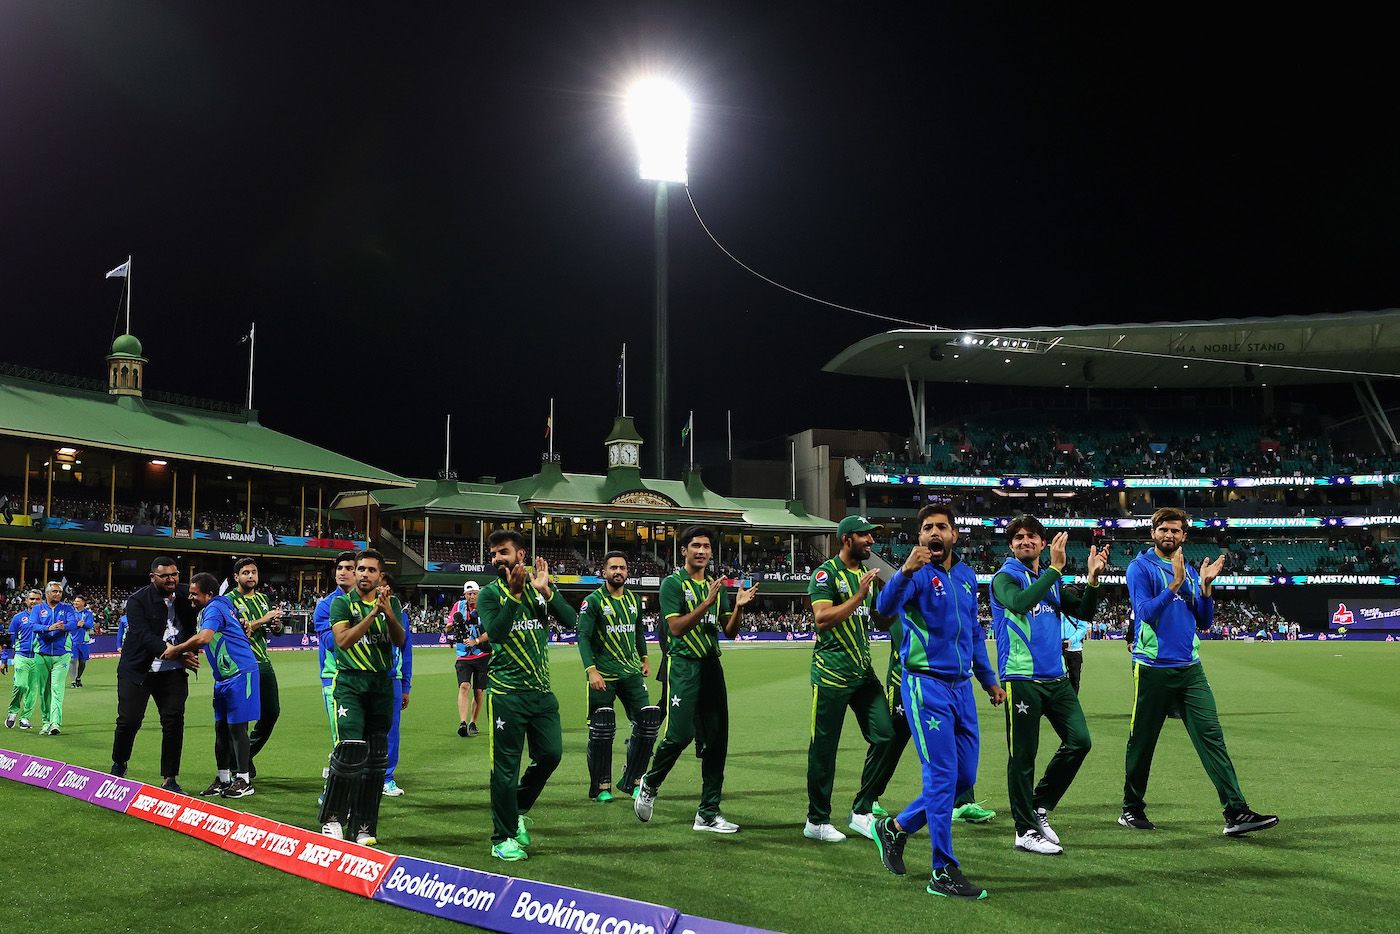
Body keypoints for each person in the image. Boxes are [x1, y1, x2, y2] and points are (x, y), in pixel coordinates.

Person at [871, 505, 1005, 900]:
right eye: (927, 527)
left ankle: (896, 828)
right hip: (925, 685)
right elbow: (883, 611)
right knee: (943, 776)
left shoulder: (965, 576)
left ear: (954, 535)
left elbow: (975, 635)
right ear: (920, 536)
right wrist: (905, 572)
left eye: (942, 527)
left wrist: (989, 680)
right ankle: (942, 870)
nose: (935, 532)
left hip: (962, 688)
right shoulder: (915, 575)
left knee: (964, 779)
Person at [1122, 507, 1278, 836]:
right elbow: (1145, 613)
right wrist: (1175, 583)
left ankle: (1236, 812)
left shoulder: (1192, 571)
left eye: (1175, 531)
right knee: (1143, 742)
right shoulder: (1140, 567)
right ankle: (1131, 808)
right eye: (1163, 529)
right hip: (1152, 668)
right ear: (1153, 533)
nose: (1169, 535)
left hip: (1190, 670)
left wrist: (1205, 587)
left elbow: (1204, 621)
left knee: (1212, 739)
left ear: (1184, 536)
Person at [989, 517, 1104, 856]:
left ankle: (1038, 806)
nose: (1026, 541)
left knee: (1080, 741)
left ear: (1041, 543)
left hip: (1056, 678)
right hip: (1022, 679)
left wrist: (1093, 580)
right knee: (1023, 756)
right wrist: (1054, 570)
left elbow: (1084, 611)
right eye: (1019, 537)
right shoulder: (1004, 577)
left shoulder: (1047, 579)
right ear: (1011, 545)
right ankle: (1024, 830)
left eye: (1033, 536)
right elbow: (1020, 603)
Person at [635, 526, 758, 834]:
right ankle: (650, 782)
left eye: (706, 546)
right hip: (683, 666)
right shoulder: (673, 584)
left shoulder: (717, 587)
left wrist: (738, 609)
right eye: (696, 546)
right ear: (684, 551)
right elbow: (675, 628)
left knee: (717, 741)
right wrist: (706, 603)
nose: (701, 551)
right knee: (679, 735)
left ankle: (708, 813)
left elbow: (728, 632)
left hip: (711, 665)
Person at [477, 530, 576, 862]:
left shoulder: (538, 589)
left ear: (521, 555)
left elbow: (572, 620)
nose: (497, 559)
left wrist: (548, 591)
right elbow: (500, 635)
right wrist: (515, 596)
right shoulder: (490, 595)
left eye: (503, 552)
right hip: (506, 693)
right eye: (493, 554)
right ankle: (502, 837)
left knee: (551, 755)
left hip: (541, 692)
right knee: (504, 769)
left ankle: (516, 808)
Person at [803, 516, 894, 843]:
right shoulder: (826, 573)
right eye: (864, 536)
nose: (870, 541)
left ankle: (862, 809)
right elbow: (823, 619)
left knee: (885, 736)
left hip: (862, 672)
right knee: (824, 750)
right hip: (831, 673)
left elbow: (876, 619)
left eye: (872, 536)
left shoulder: (864, 576)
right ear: (846, 540)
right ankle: (816, 821)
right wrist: (857, 597)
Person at [319, 549, 404, 846]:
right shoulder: (341, 604)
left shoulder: (391, 603)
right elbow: (343, 641)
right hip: (351, 684)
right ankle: (333, 819)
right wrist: (372, 614)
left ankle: (365, 825)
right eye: (361, 569)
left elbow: (400, 640)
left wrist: (389, 613)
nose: (365, 574)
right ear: (355, 573)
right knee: (351, 750)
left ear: (380, 575)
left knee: (377, 758)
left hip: (382, 685)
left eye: (371, 570)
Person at [162, 573, 259, 799]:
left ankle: (243, 780)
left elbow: (205, 637)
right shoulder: (217, 606)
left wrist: (176, 650)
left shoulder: (214, 608)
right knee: (221, 729)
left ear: (210, 594)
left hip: (240, 672)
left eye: (195, 595)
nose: (191, 599)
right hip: (225, 676)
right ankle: (224, 779)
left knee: (237, 728)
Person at [112, 556, 200, 792]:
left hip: (172, 673)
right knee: (129, 720)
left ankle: (169, 778)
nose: (171, 579)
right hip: (138, 669)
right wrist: (178, 653)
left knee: (173, 722)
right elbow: (143, 636)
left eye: (175, 574)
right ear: (153, 577)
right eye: (165, 576)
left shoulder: (186, 595)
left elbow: (212, 600)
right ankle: (119, 763)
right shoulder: (137, 601)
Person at [577, 551, 659, 803]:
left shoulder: (633, 600)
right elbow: (583, 637)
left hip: (631, 672)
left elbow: (637, 632)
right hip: (603, 675)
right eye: (613, 567)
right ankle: (601, 786)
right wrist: (591, 670)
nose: (618, 572)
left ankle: (633, 781)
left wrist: (644, 657)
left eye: (622, 567)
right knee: (601, 730)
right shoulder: (592, 602)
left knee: (648, 723)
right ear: (603, 572)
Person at [227, 557, 283, 775]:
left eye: (254, 572)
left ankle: (244, 755)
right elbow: (236, 631)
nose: (251, 576)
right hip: (240, 666)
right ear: (236, 577)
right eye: (246, 573)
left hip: (263, 663)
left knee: (271, 713)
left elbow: (274, 632)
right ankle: (240, 765)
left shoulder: (263, 599)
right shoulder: (228, 601)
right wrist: (263, 619)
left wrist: (276, 625)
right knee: (242, 718)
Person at [313, 551, 358, 764]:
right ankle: (337, 784)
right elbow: (332, 643)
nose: (343, 572)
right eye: (340, 568)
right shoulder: (325, 605)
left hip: (367, 677)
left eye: (349, 568)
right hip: (335, 678)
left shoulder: (372, 601)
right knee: (341, 737)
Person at [30, 581, 79, 735]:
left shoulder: (67, 608)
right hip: (41, 655)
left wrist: (64, 626)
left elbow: (74, 623)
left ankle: (55, 723)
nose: (58, 594)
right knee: (44, 690)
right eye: (55, 591)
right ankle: (45, 722)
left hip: (61, 655)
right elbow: (32, 626)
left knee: (57, 690)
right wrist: (48, 628)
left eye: (60, 591)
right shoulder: (38, 609)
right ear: (47, 593)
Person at [382, 574, 413, 797]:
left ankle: (387, 777)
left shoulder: (401, 616)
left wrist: (406, 687)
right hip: (363, 678)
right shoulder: (356, 611)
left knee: (391, 731)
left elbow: (406, 652)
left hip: (392, 680)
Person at [448, 580, 489, 737]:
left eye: (475, 593)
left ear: (479, 594)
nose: (472, 596)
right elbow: (447, 627)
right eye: (469, 593)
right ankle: (463, 723)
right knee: (464, 686)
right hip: (463, 654)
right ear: (464, 594)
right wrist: (457, 624)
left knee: (479, 691)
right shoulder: (458, 606)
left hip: (482, 654)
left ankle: (473, 722)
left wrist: (476, 641)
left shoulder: (485, 607)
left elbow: (491, 630)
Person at [4, 590, 41, 729]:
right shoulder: (18, 618)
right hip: (21, 655)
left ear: (41, 601)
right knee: (20, 685)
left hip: (38, 658)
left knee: (32, 690)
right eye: (31, 599)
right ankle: (13, 711)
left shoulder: (45, 618)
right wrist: (4, 660)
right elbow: (9, 640)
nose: (34, 601)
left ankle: (25, 718)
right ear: (26, 600)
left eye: (37, 599)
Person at [69, 595, 96, 688]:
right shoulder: (71, 613)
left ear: (83, 603)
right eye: (75, 601)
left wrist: (83, 624)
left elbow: (90, 625)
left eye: (78, 601)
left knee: (83, 662)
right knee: (72, 660)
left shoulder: (87, 614)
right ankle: (72, 681)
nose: (75, 603)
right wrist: (75, 624)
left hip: (84, 642)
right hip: (72, 641)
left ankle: (78, 677)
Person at [1062, 613, 1088, 694]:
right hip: (1058, 649)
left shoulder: (1078, 609)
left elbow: (1082, 628)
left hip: (1075, 649)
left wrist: (1071, 641)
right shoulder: (1055, 606)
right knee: (1059, 679)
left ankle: (1072, 703)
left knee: (1075, 679)